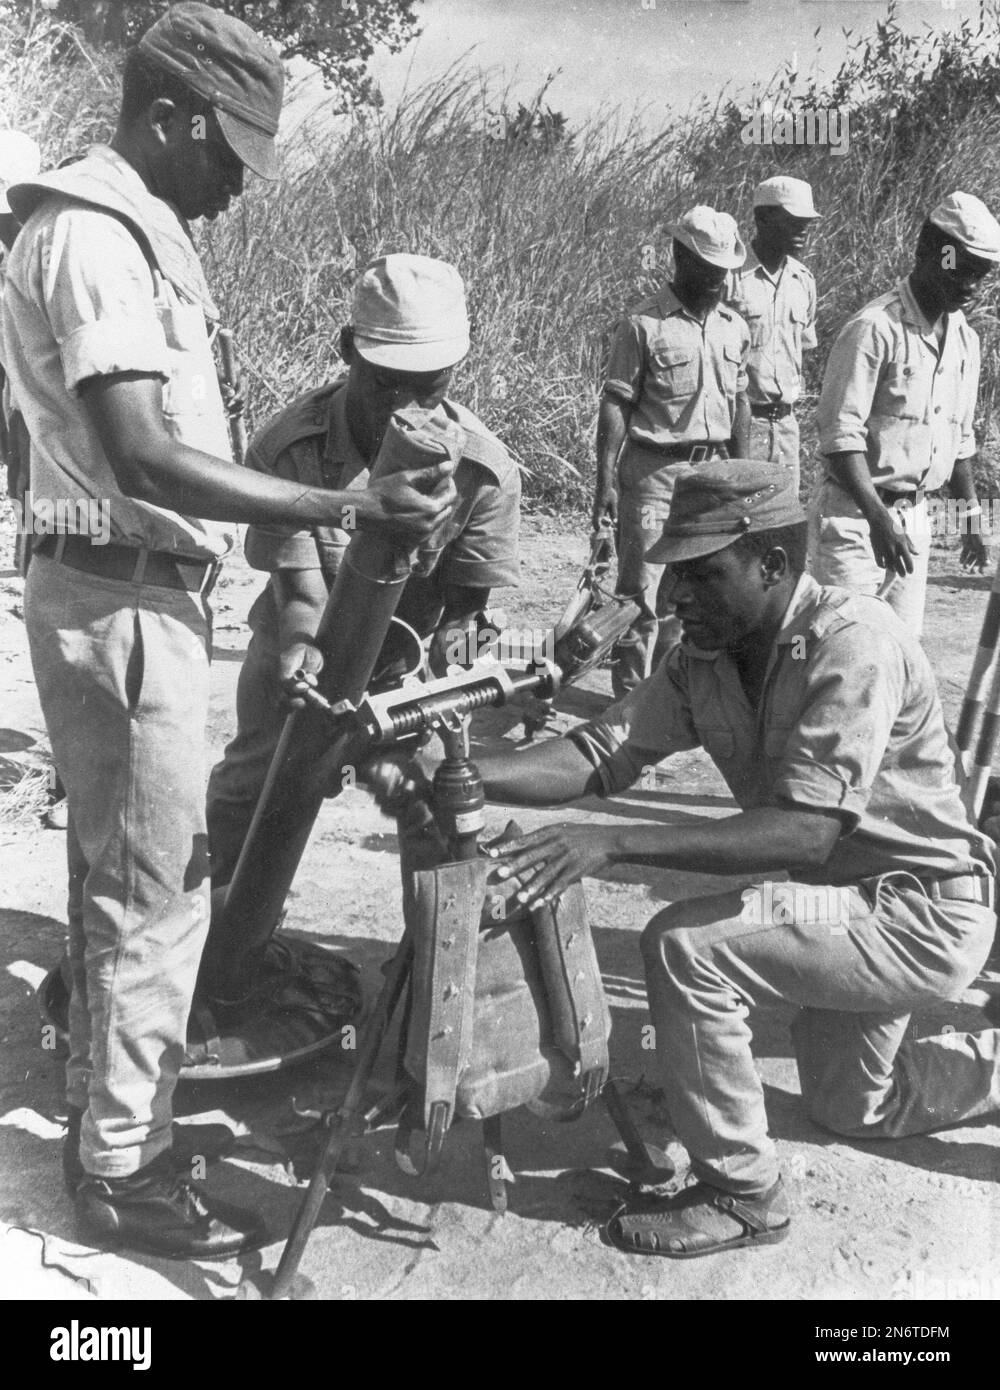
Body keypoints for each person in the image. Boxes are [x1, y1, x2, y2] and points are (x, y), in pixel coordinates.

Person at [2, 2, 456, 1260]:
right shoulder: (93, 236)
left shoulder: (102, 226)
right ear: (168, 117)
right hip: (125, 593)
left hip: (112, 582)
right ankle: (126, 1171)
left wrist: (57, 525)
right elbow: (142, 449)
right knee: (161, 895)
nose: (239, 188)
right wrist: (335, 502)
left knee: (126, 872)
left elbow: (29, 428)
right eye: (229, 157)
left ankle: (116, 1101)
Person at [471, 460, 997, 1258]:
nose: (673, 599)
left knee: (687, 949)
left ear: (774, 564)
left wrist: (610, 840)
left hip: (919, 912)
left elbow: (804, 832)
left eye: (701, 576)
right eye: (673, 576)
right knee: (854, 1105)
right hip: (847, 910)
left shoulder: (854, 642)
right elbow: (600, 753)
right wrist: (461, 770)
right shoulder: (704, 655)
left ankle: (744, 1194)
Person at [201, 253, 520, 1016]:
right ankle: (220, 959)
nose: (409, 405)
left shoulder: (482, 472)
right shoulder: (290, 450)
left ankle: (435, 997)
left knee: (442, 820)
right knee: (251, 791)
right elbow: (299, 588)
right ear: (348, 349)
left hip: (407, 670)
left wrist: (453, 692)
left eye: (432, 387)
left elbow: (465, 615)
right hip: (299, 649)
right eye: (388, 383)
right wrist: (305, 649)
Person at [808, 191, 999, 636]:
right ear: (925, 253)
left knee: (898, 658)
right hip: (855, 519)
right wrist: (877, 519)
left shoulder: (964, 340)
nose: (969, 285)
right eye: (958, 268)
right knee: (842, 656)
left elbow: (959, 442)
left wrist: (970, 518)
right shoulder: (874, 329)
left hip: (913, 522)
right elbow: (840, 438)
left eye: (980, 275)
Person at [592, 205, 751, 698]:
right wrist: (605, 482)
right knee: (640, 596)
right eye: (705, 267)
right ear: (679, 257)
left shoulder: (734, 327)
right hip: (653, 476)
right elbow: (616, 404)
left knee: (695, 594)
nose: (715, 280)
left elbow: (740, 401)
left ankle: (668, 695)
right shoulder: (642, 325)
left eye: (722, 271)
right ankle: (629, 703)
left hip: (712, 475)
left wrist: (741, 476)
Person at [725, 175, 818, 493]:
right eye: (792, 220)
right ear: (762, 218)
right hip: (740, 425)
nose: (803, 229)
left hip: (787, 427)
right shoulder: (730, 279)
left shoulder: (803, 281)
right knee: (737, 523)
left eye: (806, 221)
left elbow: (801, 346)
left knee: (782, 528)